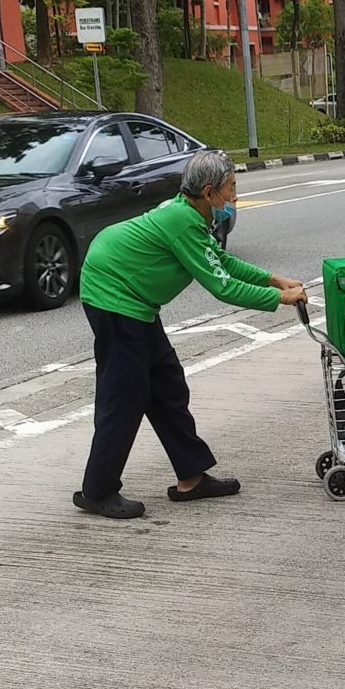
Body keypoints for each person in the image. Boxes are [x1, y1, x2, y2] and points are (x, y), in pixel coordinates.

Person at [73, 150, 308, 519]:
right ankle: (97, 490)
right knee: (125, 396)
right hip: (112, 296)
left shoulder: (191, 215)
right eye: (231, 189)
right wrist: (279, 298)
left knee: (168, 387)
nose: (234, 198)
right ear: (210, 191)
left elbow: (221, 261)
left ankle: (191, 478)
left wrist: (271, 277)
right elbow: (222, 286)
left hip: (137, 303)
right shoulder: (182, 220)